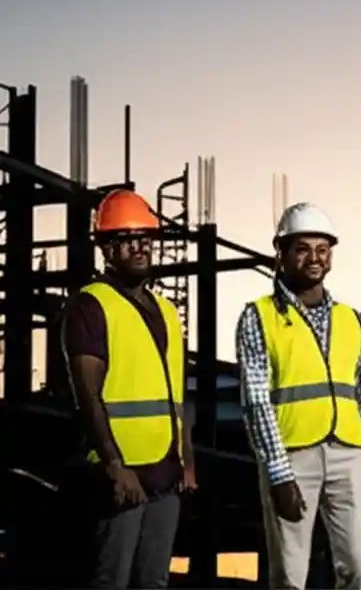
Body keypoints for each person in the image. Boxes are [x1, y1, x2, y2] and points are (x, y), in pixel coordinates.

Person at [235, 202, 361, 589]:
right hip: (293, 456)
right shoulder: (259, 316)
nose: (315, 258)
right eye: (303, 249)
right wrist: (278, 473)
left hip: (349, 455)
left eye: (323, 249)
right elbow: (256, 401)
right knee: (289, 575)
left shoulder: (349, 318)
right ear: (279, 254)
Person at [62, 189, 196, 589]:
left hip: (166, 472)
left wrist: (186, 458)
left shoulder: (167, 312)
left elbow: (175, 396)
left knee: (154, 581)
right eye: (125, 239)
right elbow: (88, 395)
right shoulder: (91, 306)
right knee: (111, 580)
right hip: (120, 474)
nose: (139, 248)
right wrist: (115, 466)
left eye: (145, 238)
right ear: (106, 248)